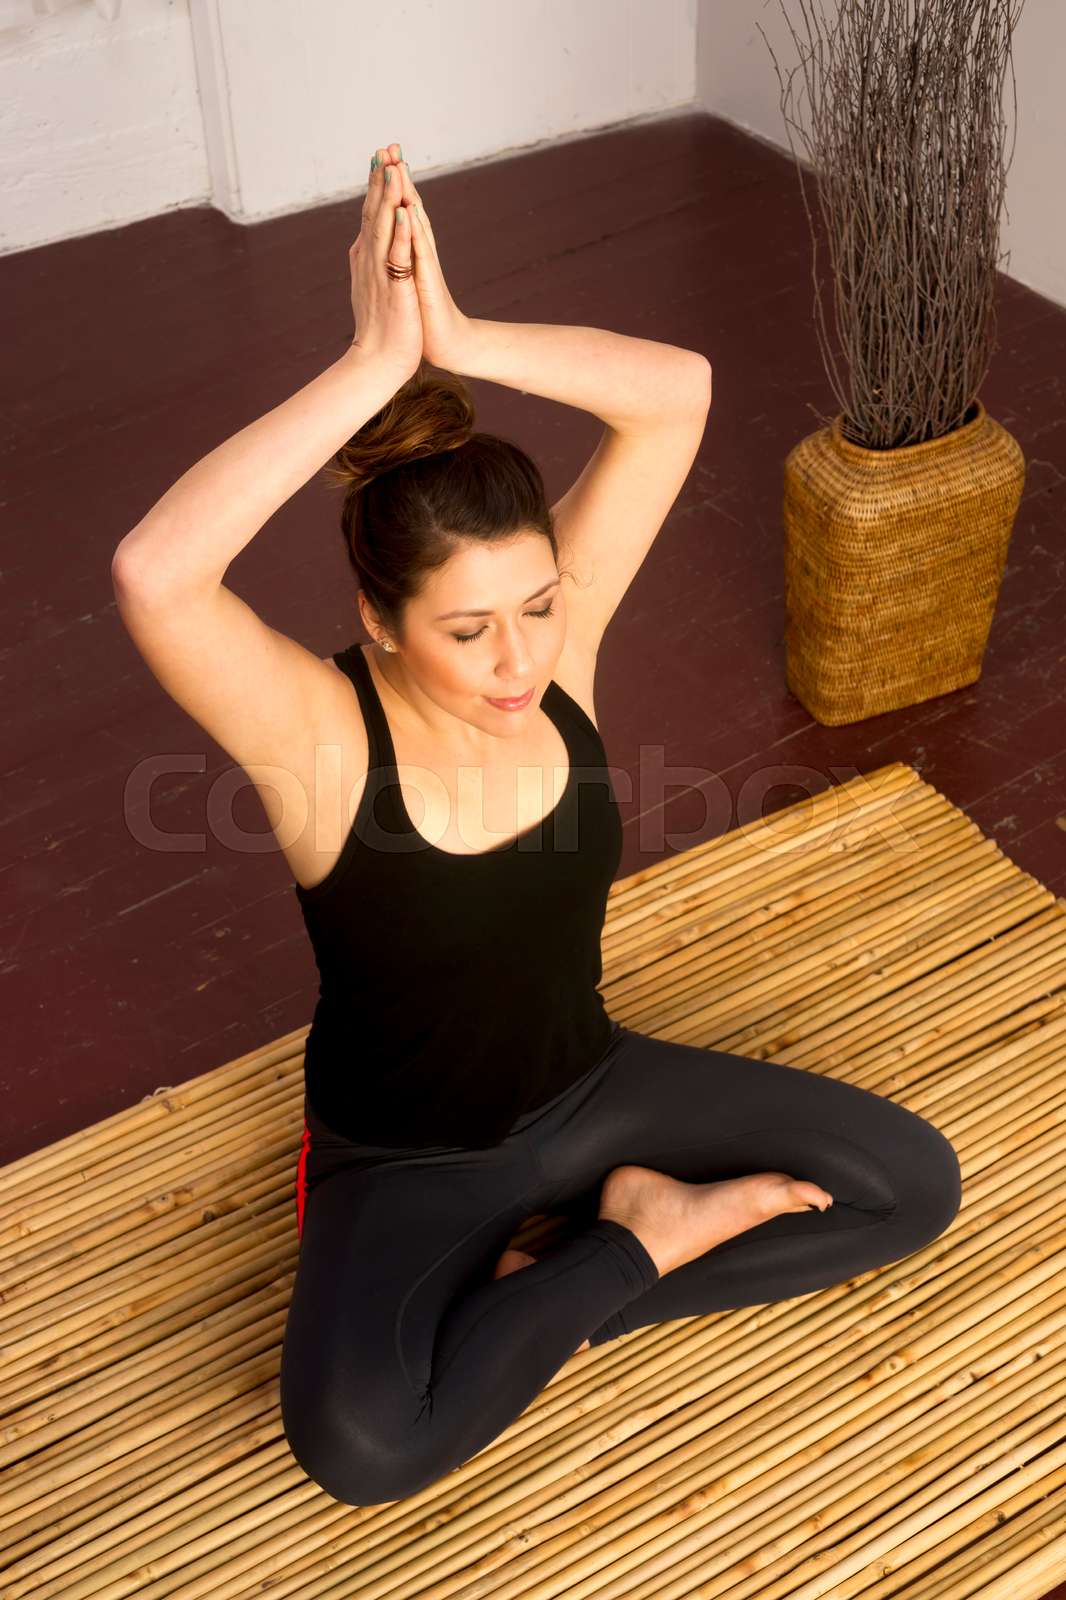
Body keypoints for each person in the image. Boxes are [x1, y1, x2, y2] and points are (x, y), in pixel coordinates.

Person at [112, 143, 962, 1509]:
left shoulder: (555, 667)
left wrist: (456, 334)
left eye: (538, 605)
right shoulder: (322, 736)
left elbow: (674, 393)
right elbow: (157, 574)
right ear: (380, 628)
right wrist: (370, 368)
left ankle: (567, 1274)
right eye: (465, 628)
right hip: (411, 1159)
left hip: (588, 1091)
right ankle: (624, 1249)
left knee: (908, 1186)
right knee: (363, 1451)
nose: (516, 662)